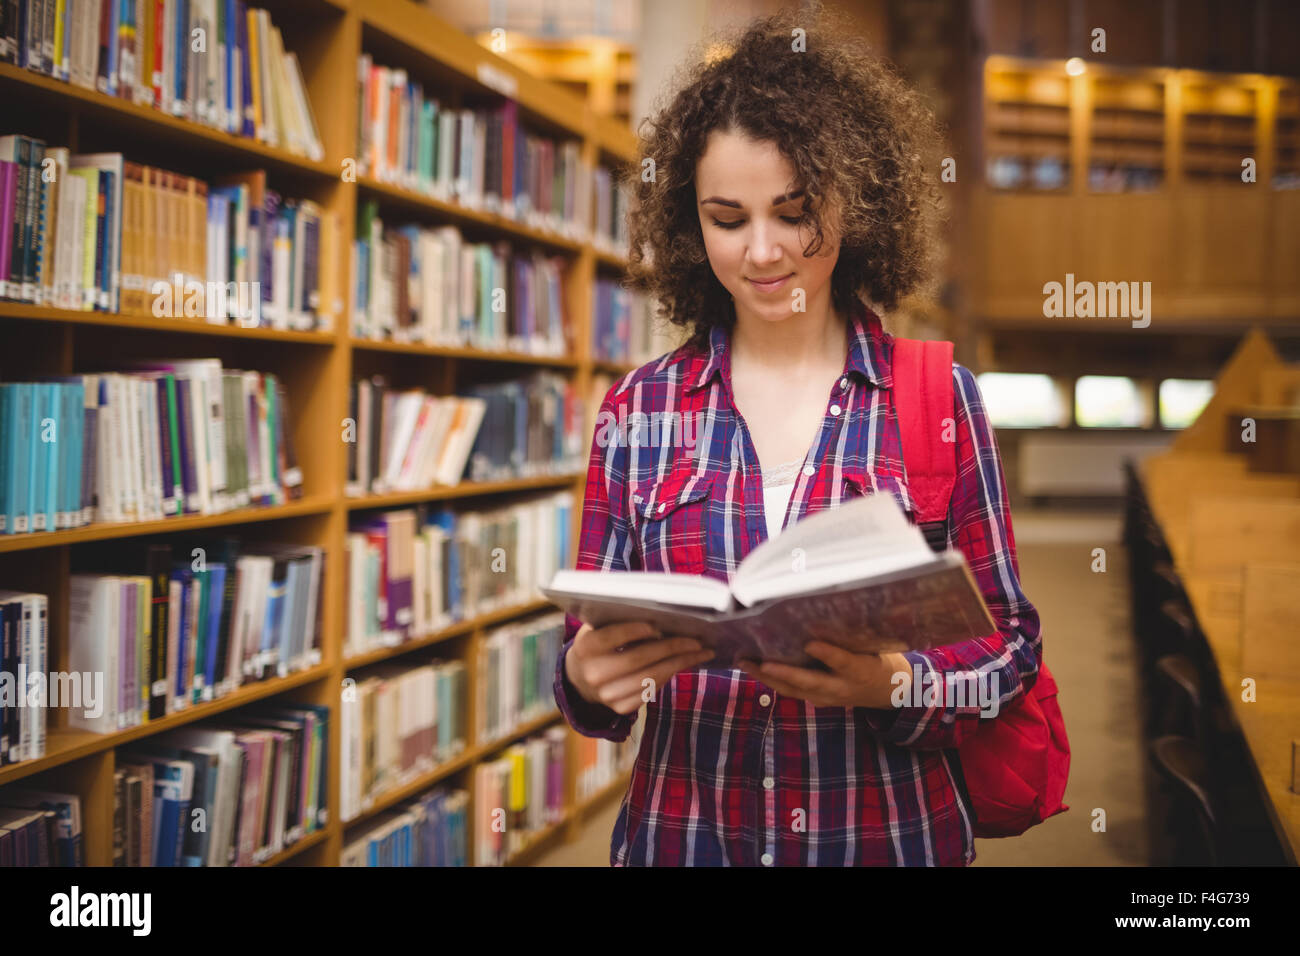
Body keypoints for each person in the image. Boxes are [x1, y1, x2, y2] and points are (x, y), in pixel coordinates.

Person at [555, 7, 1042, 866]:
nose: (764, 252)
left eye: (794, 211)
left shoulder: (938, 400)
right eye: (727, 218)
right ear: (688, 222)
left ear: (853, 199)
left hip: (884, 837)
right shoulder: (637, 410)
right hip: (688, 836)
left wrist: (893, 684)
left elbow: (1009, 648)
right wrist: (587, 684)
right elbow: (590, 662)